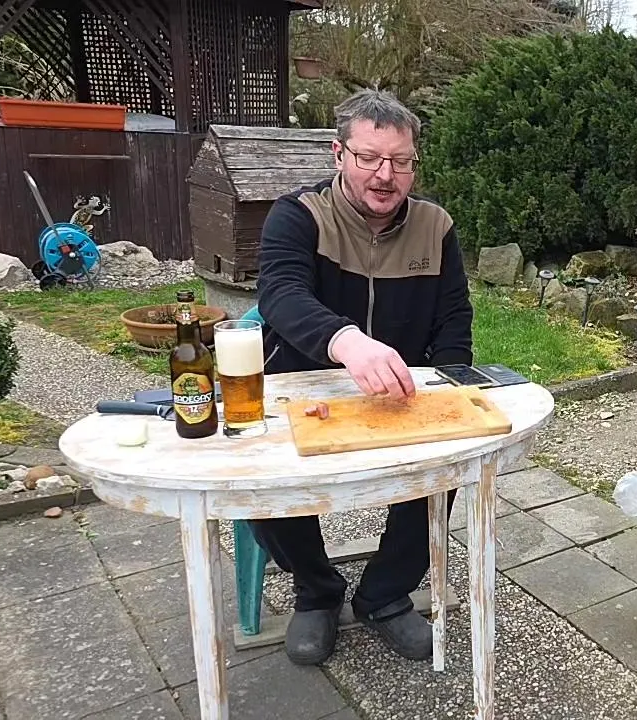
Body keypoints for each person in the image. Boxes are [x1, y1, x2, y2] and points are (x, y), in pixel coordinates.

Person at [251, 89, 473, 666]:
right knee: (258, 482)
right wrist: (345, 340)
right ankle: (316, 589)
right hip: (303, 384)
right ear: (339, 154)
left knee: (446, 467)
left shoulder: (436, 225)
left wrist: (453, 385)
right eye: (369, 157)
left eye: (400, 161)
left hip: (400, 390)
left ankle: (385, 594)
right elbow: (280, 293)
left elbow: (454, 318)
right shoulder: (298, 215)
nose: (385, 175)